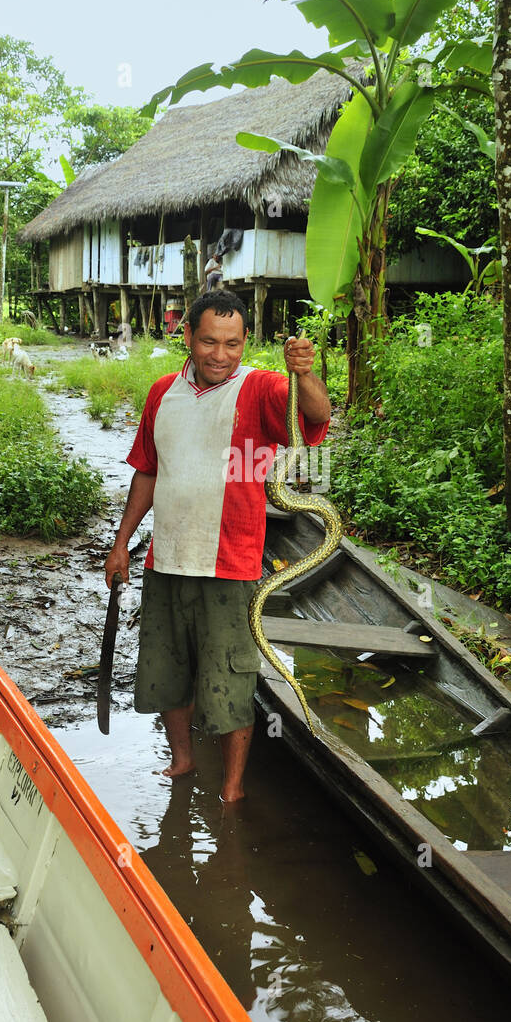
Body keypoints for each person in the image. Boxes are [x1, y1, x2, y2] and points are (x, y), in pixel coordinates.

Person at [104, 290, 330, 803]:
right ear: (187, 337)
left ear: (246, 342)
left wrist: (304, 374)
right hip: (167, 559)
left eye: (232, 343)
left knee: (231, 678)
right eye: (208, 341)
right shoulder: (162, 392)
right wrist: (122, 545)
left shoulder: (261, 389)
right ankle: (183, 762)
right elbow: (146, 471)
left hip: (232, 565)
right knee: (167, 669)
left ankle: (232, 790)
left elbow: (315, 416)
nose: (219, 354)